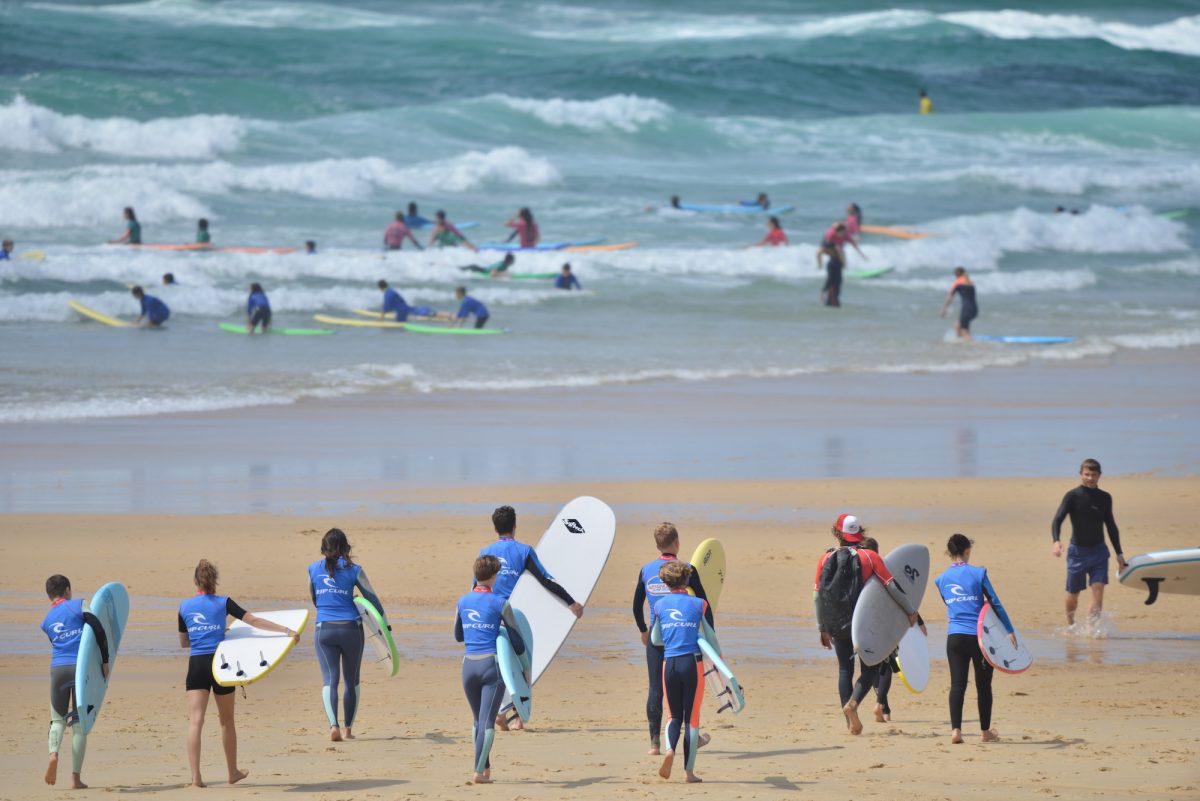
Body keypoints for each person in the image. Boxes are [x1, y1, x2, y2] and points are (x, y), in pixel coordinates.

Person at [179, 559, 298, 787]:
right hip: (222, 665)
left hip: (197, 665)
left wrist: (203, 633)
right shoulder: (223, 602)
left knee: (195, 721)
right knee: (226, 721)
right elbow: (252, 620)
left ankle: (196, 778)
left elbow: (184, 642)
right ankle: (232, 772)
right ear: (215, 580)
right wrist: (286, 630)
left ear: (196, 580)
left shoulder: (184, 606)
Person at [477, 505, 582, 730]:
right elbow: (545, 580)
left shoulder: (484, 553)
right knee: (519, 662)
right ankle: (510, 714)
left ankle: (503, 712)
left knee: (497, 662)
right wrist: (571, 602)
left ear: (495, 527)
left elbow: (476, 586)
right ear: (514, 526)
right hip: (510, 616)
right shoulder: (524, 551)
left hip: (487, 614)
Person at [814, 514, 918, 735]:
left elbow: (817, 595)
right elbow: (891, 587)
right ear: (859, 532)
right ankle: (853, 703)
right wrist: (910, 611)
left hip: (836, 622)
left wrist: (822, 627)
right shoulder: (870, 556)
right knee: (870, 668)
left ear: (837, 532)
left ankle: (851, 723)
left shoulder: (825, 557)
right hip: (865, 623)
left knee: (844, 669)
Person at [632, 522, 714, 755]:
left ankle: (654, 743)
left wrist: (643, 630)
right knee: (687, 690)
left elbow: (636, 605)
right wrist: (710, 636)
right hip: (684, 637)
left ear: (657, 545)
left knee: (656, 688)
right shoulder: (687, 570)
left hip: (657, 639)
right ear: (677, 543)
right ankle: (691, 736)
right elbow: (705, 605)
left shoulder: (646, 570)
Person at [934, 533, 1016, 744]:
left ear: (949, 552)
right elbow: (995, 603)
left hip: (954, 638)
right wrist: (1009, 629)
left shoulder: (941, 579)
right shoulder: (978, 573)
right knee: (983, 685)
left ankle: (956, 731)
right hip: (979, 639)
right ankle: (985, 732)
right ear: (967, 551)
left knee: (957, 684)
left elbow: (950, 604)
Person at [307, 528, 386, 742]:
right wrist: (384, 627)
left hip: (324, 629)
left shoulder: (313, 569)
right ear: (345, 547)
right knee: (351, 681)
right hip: (351, 629)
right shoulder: (355, 570)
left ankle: (333, 726)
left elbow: (315, 599)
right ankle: (348, 729)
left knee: (330, 679)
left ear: (324, 547)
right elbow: (373, 601)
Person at [454, 555, 526, 784]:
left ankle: (484, 769)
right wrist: (524, 668)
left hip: (468, 666)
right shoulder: (500, 602)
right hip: (490, 667)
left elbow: (458, 636)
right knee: (487, 721)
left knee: (478, 720)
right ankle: (477, 771)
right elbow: (517, 640)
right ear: (494, 576)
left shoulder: (462, 601)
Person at [41, 574, 110, 789]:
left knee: (57, 720)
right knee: (80, 723)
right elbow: (98, 629)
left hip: (58, 670)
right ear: (68, 590)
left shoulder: (47, 620)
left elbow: (56, 642)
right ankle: (75, 778)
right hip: (80, 669)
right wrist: (105, 660)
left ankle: (53, 754)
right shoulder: (78, 605)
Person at [1051, 458, 1126, 627]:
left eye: (1093, 475)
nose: (1090, 478)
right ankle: (1070, 624)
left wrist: (1119, 553)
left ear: (1099, 475)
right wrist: (1056, 541)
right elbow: (1057, 520)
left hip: (1099, 551)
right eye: (1087, 474)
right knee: (1073, 592)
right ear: (1081, 474)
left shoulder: (1105, 498)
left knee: (1098, 589)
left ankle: (1093, 628)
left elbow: (1111, 526)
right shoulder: (1072, 496)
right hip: (1077, 552)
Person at [858, 537, 926, 723]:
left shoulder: (860, 574)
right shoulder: (884, 570)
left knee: (871, 665)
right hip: (886, 626)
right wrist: (918, 620)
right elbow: (903, 596)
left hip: (867, 628)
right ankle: (882, 706)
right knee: (886, 665)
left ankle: (884, 707)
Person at [653, 561, 708, 783]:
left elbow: (656, 639)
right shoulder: (698, 604)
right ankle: (689, 773)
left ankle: (669, 751)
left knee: (673, 716)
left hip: (669, 663)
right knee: (692, 720)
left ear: (666, 582)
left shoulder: (659, 605)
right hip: (692, 664)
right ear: (686, 580)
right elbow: (709, 637)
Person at [940, 266, 978, 341]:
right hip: (974, 309)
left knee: (963, 330)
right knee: (958, 326)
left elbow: (949, 298)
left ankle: (970, 345)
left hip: (966, 309)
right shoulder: (970, 283)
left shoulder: (958, 283)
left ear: (956, 275)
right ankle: (962, 344)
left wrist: (944, 309)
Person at [815, 238, 844, 308]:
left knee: (832, 307)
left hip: (832, 289)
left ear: (830, 250)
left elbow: (830, 279)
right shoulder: (838, 261)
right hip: (837, 288)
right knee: (835, 306)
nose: (824, 251)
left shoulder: (831, 263)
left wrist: (823, 290)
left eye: (825, 249)